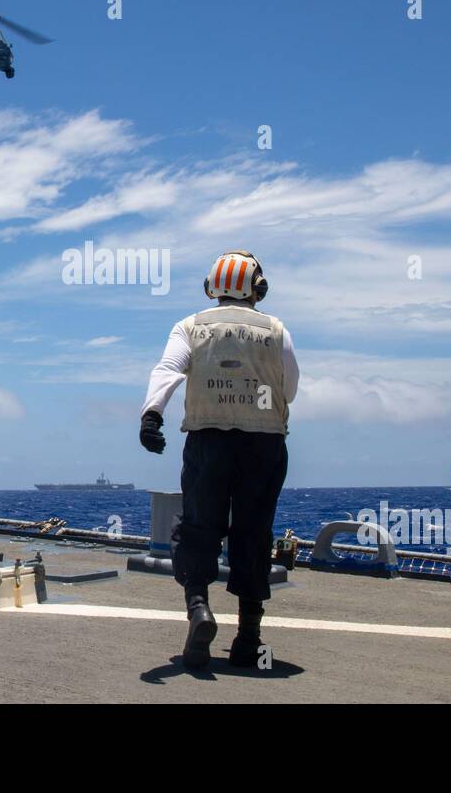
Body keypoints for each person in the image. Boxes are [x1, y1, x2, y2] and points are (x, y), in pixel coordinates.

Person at [138, 250, 299, 669]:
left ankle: (199, 610)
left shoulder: (191, 326)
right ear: (257, 287)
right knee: (253, 533)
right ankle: (248, 638)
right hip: (264, 445)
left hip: (208, 441)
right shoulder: (276, 329)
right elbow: (291, 386)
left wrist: (152, 415)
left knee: (197, 528)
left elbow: (169, 368)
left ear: (213, 287)